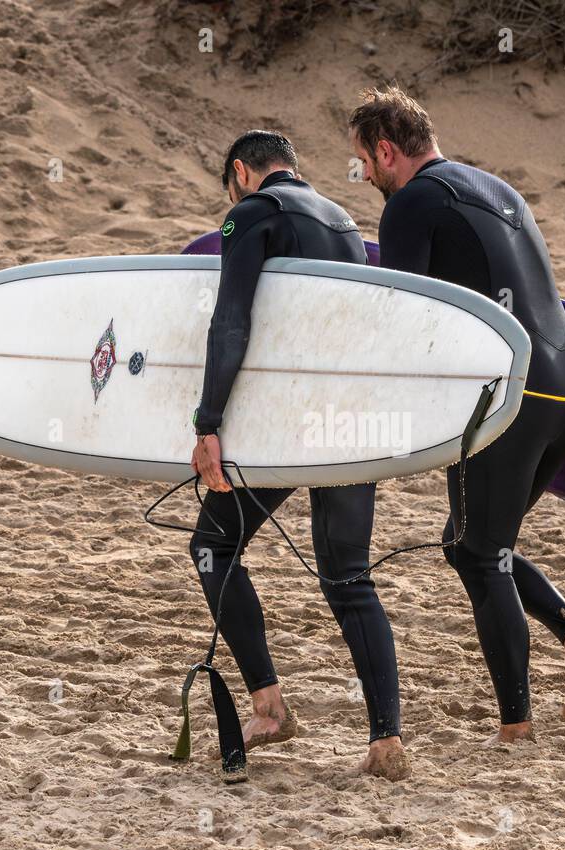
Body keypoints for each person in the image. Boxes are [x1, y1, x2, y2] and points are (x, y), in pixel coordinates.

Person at [348, 88, 565, 743]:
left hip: (506, 395)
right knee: (468, 545)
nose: (362, 178)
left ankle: (516, 729)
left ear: (387, 150)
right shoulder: (499, 190)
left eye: (361, 163)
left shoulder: (411, 203)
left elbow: (404, 315)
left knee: (484, 553)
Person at [188, 130, 408, 780]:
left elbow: (231, 319)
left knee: (212, 546)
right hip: (352, 420)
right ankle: (385, 741)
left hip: (294, 424)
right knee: (348, 576)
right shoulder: (340, 222)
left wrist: (210, 423)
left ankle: (270, 706)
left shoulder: (252, 215)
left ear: (239, 173)